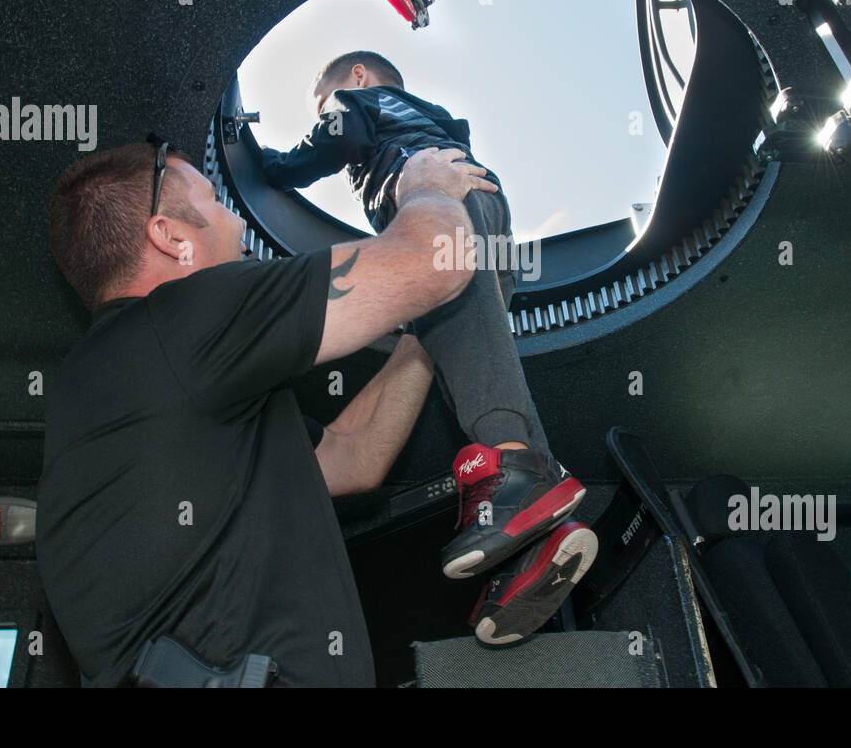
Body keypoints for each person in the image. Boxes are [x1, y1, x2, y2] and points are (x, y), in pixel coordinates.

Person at [38, 139, 488, 685]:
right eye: (213, 199)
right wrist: (423, 185)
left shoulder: (142, 383)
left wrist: (426, 338)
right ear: (172, 236)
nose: (234, 219)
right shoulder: (181, 319)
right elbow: (438, 261)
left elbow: (356, 457)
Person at [250, 51, 597, 643]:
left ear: (356, 78)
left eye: (323, 100)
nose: (326, 110)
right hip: (489, 212)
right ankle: (533, 545)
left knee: (449, 313)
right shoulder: (431, 117)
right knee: (479, 356)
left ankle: (512, 469)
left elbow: (336, 136)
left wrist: (270, 165)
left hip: (444, 204)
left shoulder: (358, 102)